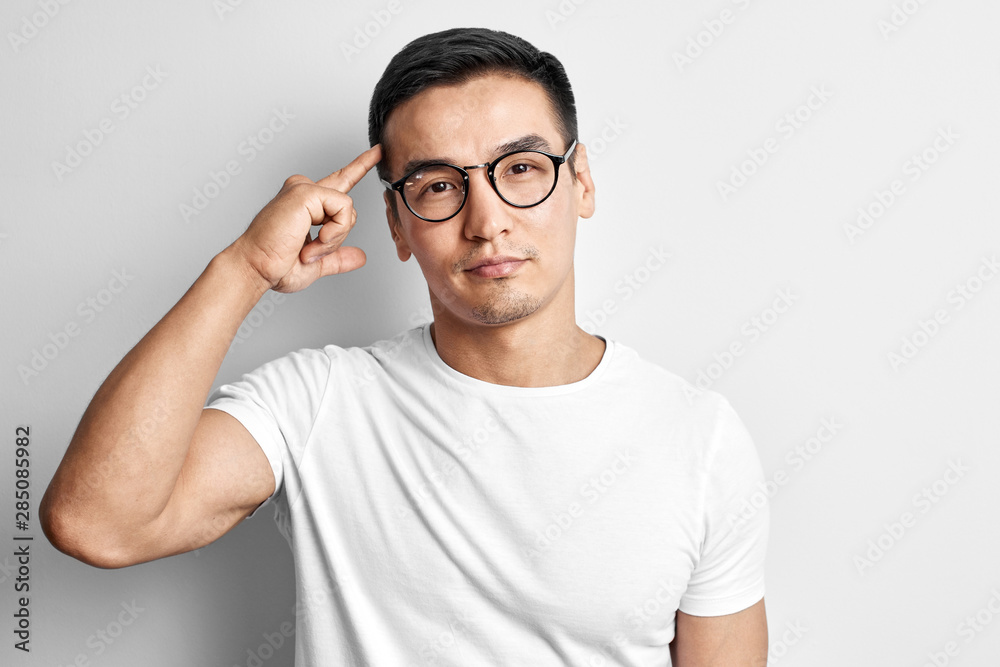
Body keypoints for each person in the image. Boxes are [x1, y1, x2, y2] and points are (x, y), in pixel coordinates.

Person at [41, 27, 769, 666]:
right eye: (438, 184)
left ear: (579, 181)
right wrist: (244, 269)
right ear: (395, 222)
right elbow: (94, 521)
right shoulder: (319, 403)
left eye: (520, 168)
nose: (486, 221)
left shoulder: (697, 438)